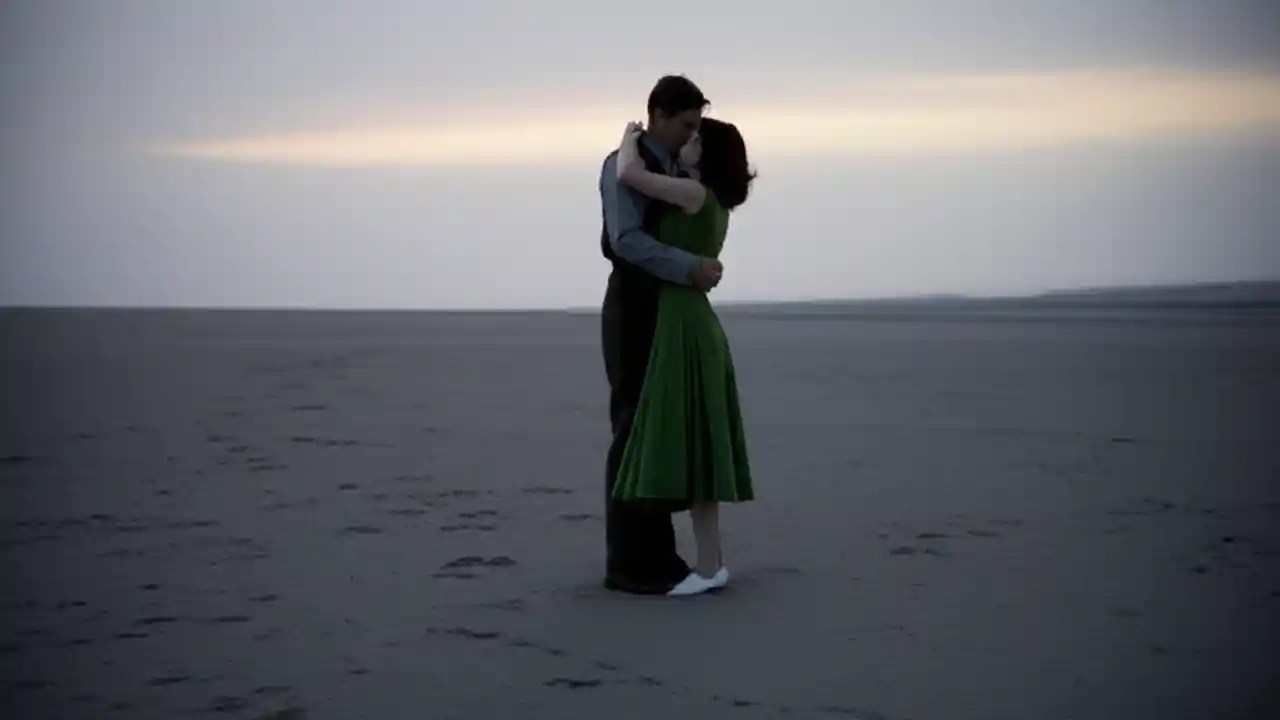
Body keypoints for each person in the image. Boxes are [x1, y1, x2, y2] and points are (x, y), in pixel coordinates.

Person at [610, 116, 756, 596]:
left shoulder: (693, 194)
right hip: (692, 318)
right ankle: (711, 566)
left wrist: (627, 138)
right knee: (700, 446)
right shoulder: (709, 198)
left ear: (708, 152)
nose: (688, 142)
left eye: (696, 139)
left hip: (681, 321)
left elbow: (629, 175)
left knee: (684, 438)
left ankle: (703, 566)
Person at [598, 75, 722, 595]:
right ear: (658, 115)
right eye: (687, 125)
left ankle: (659, 560)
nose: (691, 134)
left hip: (666, 307)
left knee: (657, 430)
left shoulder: (673, 168)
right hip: (634, 304)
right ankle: (634, 567)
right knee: (633, 429)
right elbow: (625, 240)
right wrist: (688, 266)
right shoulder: (621, 165)